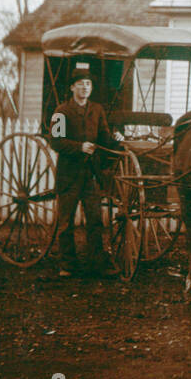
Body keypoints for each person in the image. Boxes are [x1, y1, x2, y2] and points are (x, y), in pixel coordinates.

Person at [49, 62, 122, 278]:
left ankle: (96, 263)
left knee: (94, 220)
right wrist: (79, 147)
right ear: (72, 88)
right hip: (69, 175)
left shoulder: (96, 110)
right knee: (66, 221)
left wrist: (116, 140)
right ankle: (67, 265)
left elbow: (104, 137)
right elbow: (56, 142)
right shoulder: (61, 111)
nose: (85, 88)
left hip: (91, 174)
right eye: (80, 84)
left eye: (88, 84)